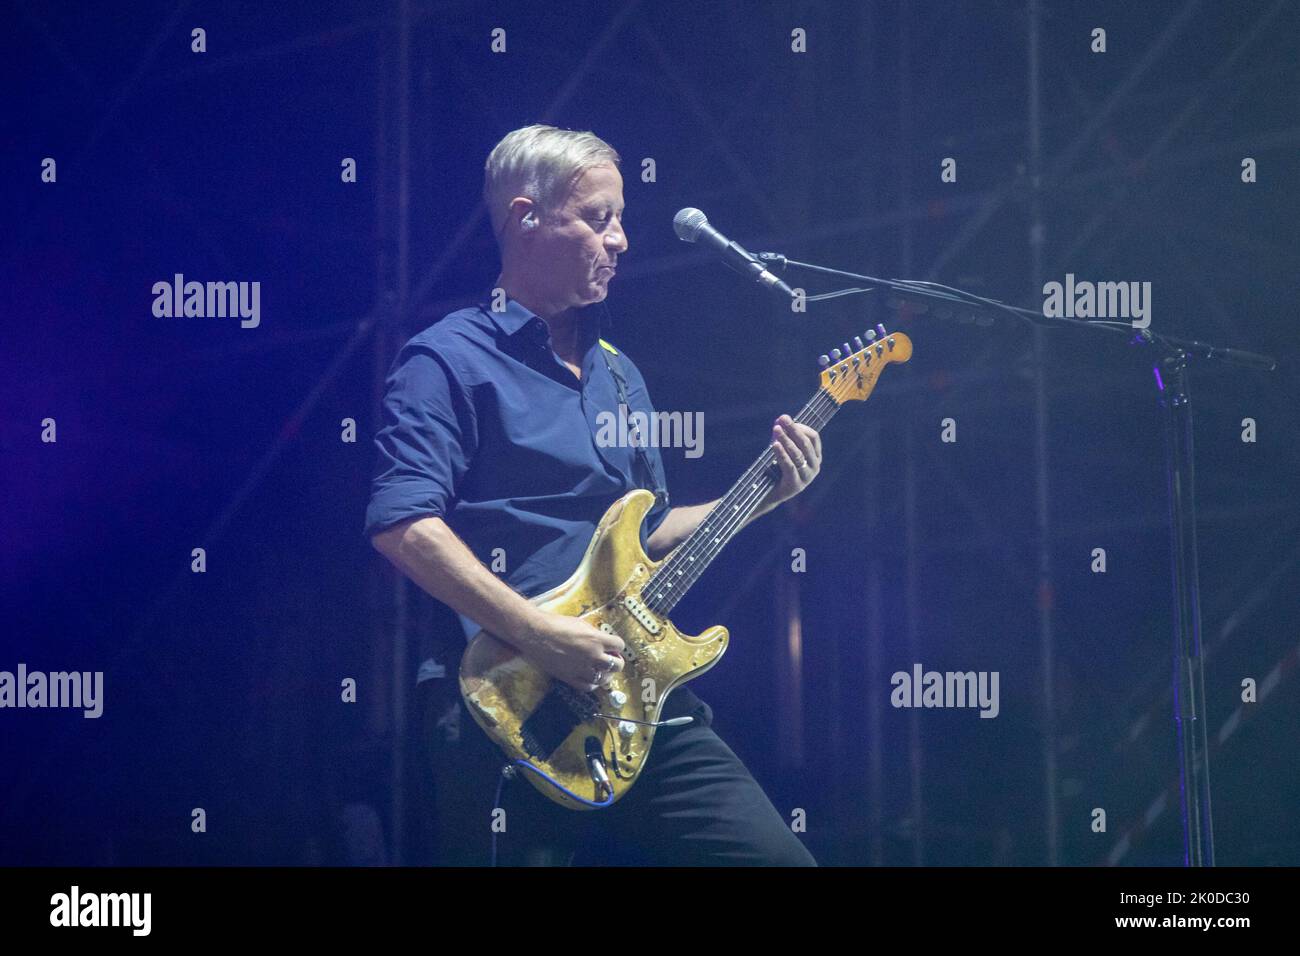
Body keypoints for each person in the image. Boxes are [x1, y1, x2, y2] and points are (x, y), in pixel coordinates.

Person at [365, 124, 821, 865]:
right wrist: (541, 635)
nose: (621, 241)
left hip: (634, 692)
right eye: (599, 218)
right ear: (526, 218)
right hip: (511, 707)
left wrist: (763, 494)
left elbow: (644, 537)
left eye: (622, 220)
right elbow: (404, 525)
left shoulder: (620, 375)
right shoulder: (446, 359)